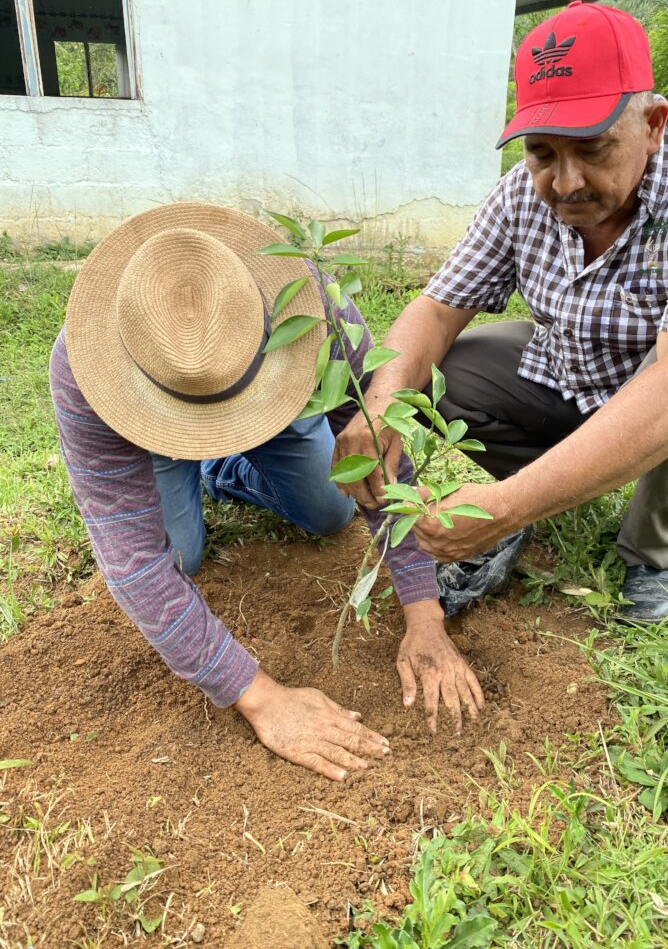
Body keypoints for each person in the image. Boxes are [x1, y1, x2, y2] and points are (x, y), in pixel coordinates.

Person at [334, 1, 668, 623]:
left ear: (653, 124)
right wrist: (381, 407)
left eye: (593, 148)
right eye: (543, 153)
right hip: (573, 365)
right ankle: (537, 493)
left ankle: (656, 550)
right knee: (441, 370)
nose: (566, 183)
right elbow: (434, 311)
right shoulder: (521, 193)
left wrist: (503, 508)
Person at [50, 204, 484, 783]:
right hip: (149, 427)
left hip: (278, 402)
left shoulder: (313, 309)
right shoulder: (86, 372)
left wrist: (424, 613)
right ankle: (182, 457)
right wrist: (261, 697)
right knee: (181, 557)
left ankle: (225, 469)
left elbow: (381, 452)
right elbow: (133, 564)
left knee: (331, 511)